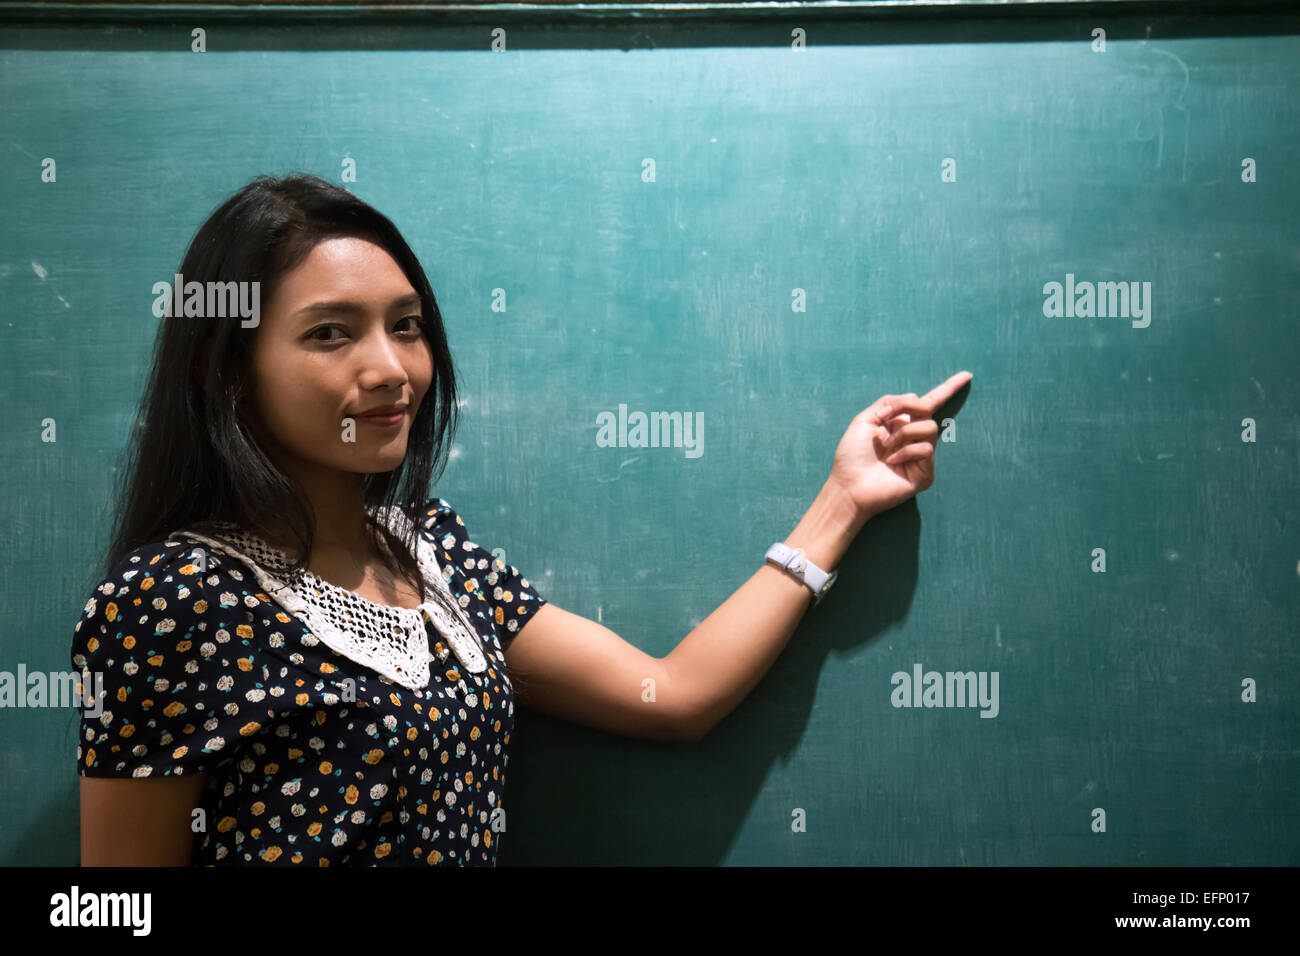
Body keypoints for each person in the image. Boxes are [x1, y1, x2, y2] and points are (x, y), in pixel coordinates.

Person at [73, 172, 973, 866]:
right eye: (330, 333)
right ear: (228, 371)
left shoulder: (431, 556)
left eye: (408, 325)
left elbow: (675, 697)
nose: (391, 369)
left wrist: (842, 501)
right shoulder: (172, 600)